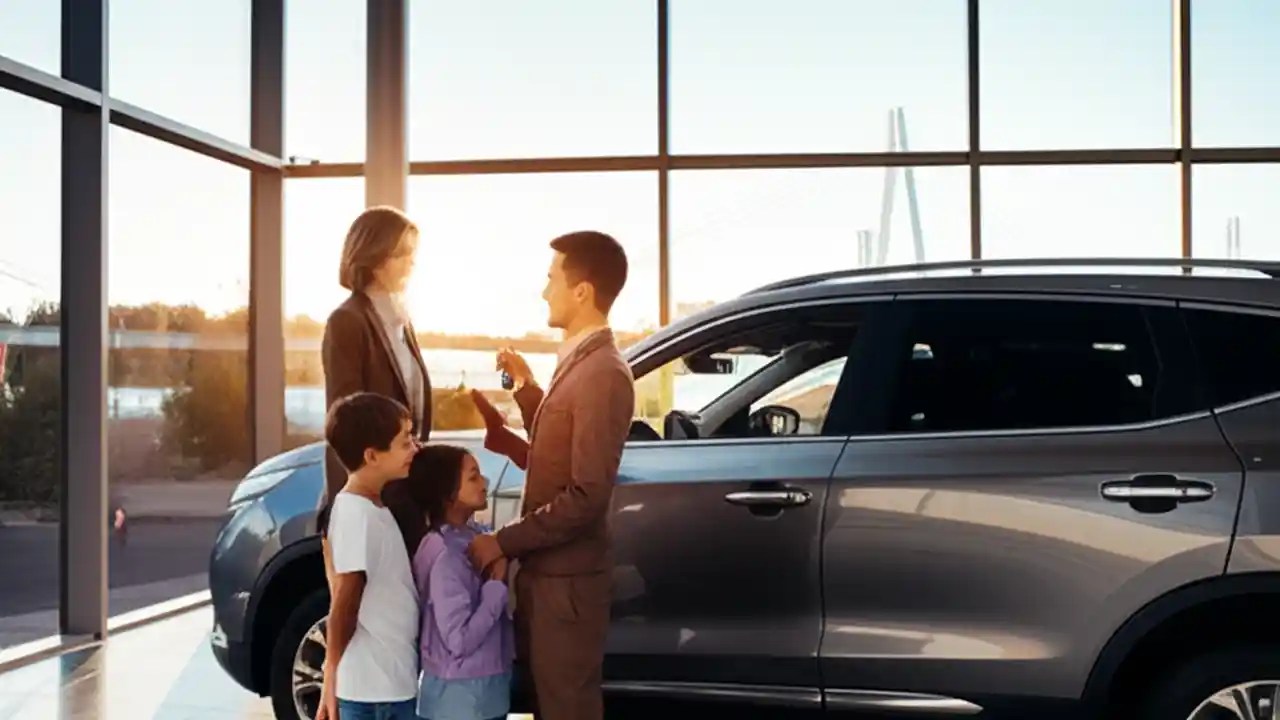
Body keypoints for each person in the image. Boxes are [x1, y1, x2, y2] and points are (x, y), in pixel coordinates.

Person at [468, 230, 635, 720]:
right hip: (547, 584)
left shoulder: (603, 372)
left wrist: (503, 541)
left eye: (551, 279)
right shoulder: (579, 365)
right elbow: (559, 446)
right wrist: (524, 388)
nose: (545, 291)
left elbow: (585, 494)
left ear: (581, 290)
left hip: (568, 589)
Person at [320, 205, 434, 559]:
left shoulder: (402, 321)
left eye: (412, 255)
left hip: (406, 492)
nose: (411, 264)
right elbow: (346, 420)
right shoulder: (347, 321)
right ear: (374, 257)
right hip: (373, 497)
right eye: (403, 255)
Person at [316, 392, 421, 720]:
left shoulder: (373, 508)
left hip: (391, 684)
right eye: (405, 442)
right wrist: (331, 672)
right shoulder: (356, 514)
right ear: (372, 455)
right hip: (375, 695)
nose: (414, 449)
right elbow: (345, 600)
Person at [405, 445, 514, 720]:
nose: (484, 483)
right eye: (473, 477)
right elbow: (459, 640)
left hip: (486, 696)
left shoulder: (473, 538)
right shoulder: (446, 556)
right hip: (460, 702)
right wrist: (497, 585)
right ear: (448, 494)